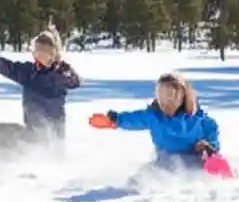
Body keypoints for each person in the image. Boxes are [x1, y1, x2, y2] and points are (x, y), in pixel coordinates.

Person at [0, 26, 81, 159]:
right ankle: (10, 165)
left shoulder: (59, 73)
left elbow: (75, 82)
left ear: (52, 54)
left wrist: (63, 70)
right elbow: (5, 66)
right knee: (1, 131)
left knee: (40, 147)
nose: (38, 56)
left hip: (52, 140)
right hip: (32, 134)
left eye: (43, 52)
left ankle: (41, 163)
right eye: (36, 51)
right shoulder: (29, 72)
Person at [88, 72, 226, 174]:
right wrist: (115, 120)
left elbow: (212, 132)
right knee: (146, 177)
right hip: (166, 161)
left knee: (209, 165)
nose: (166, 100)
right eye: (161, 94)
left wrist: (209, 146)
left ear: (184, 97)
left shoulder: (198, 119)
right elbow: (135, 119)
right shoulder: (154, 116)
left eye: (170, 95)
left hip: (195, 160)